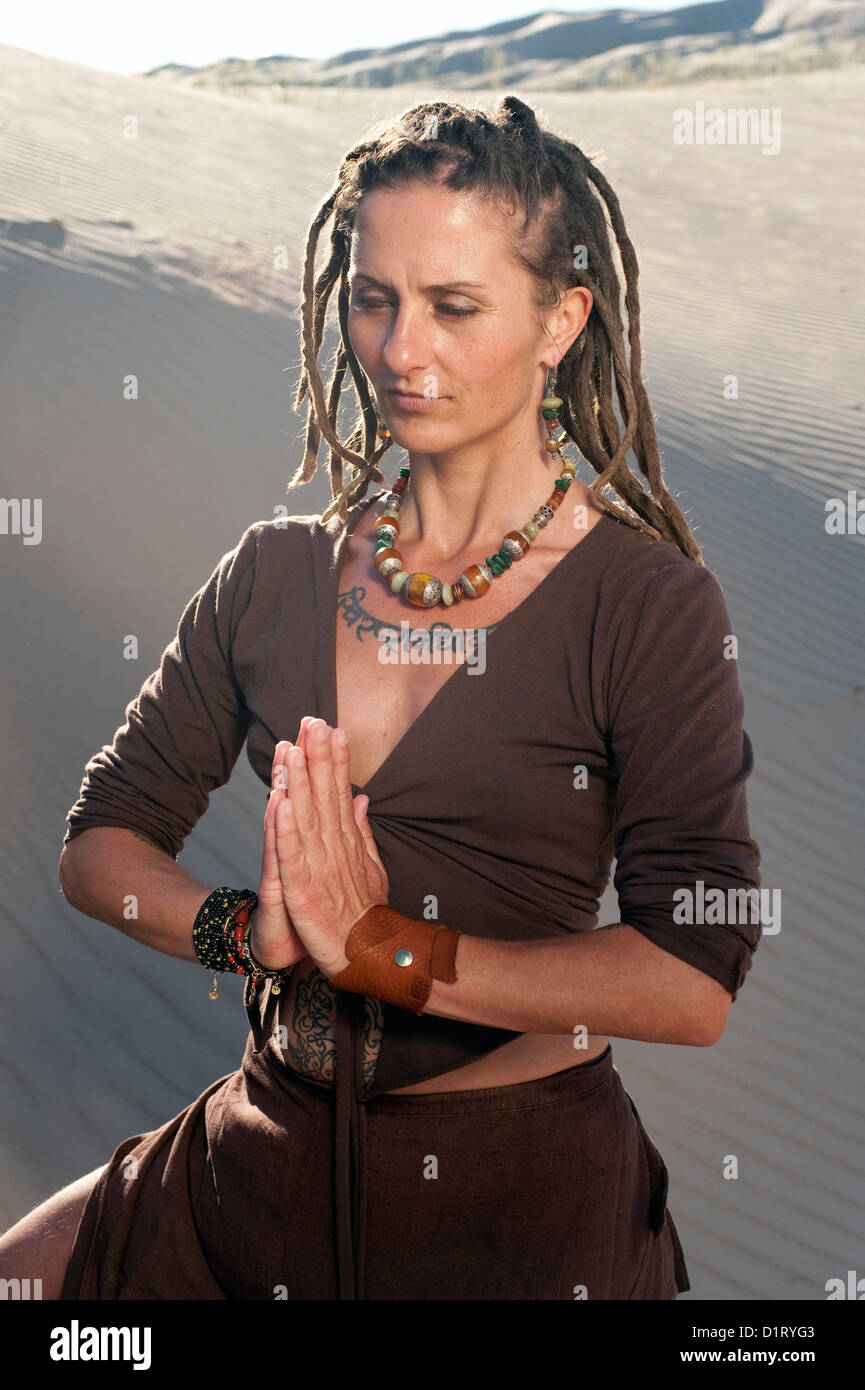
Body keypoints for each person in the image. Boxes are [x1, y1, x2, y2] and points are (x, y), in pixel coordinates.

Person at [0, 95, 762, 1300]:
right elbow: (101, 844)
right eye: (374, 297)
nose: (402, 349)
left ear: (562, 318)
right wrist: (239, 932)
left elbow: (689, 978)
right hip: (258, 1152)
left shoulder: (645, 603)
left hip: (514, 1206)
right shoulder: (275, 572)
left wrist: (384, 950)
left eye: (455, 306)